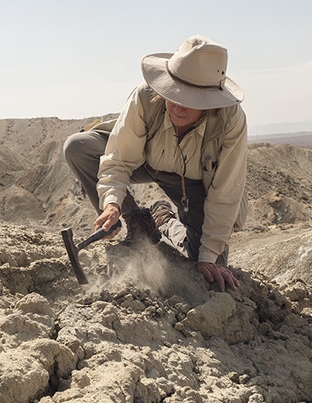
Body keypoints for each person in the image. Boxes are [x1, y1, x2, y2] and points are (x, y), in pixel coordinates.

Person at [63, 35, 248, 291]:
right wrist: (112, 203)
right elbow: (118, 159)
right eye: (173, 94)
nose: (177, 106)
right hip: (146, 161)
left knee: (205, 270)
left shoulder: (231, 121)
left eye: (190, 100)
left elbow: (226, 192)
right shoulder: (145, 97)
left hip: (195, 183)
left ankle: (164, 219)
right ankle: (139, 224)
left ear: (211, 104)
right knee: (78, 147)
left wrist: (209, 256)